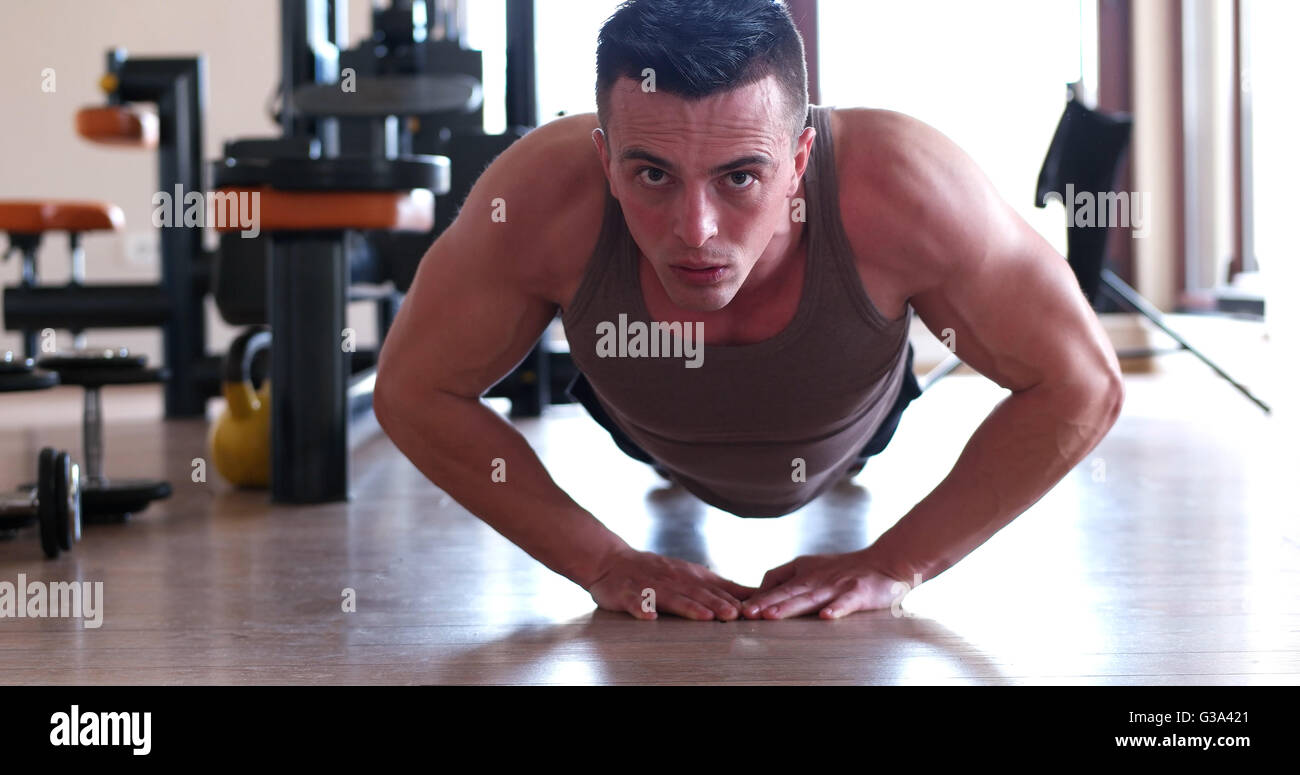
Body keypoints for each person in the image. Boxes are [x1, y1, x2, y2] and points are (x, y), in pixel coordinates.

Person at [375, 0, 1123, 622]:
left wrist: (900, 561)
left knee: (855, 441)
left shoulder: (905, 186)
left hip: (855, 416)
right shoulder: (540, 194)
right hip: (645, 426)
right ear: (604, 159)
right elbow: (413, 392)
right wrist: (601, 559)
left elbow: (1084, 385)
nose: (695, 229)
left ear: (798, 160)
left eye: (739, 176)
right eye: (651, 174)